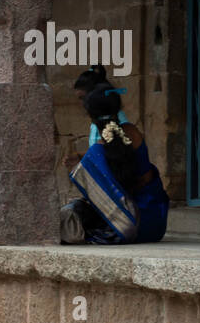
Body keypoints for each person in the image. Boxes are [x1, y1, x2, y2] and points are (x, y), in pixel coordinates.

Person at [62, 84, 169, 245]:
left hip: (124, 229)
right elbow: (122, 154)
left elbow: (110, 152)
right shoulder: (133, 132)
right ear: (118, 108)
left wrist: (82, 160)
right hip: (154, 224)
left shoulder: (96, 153)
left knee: (69, 213)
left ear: (91, 116)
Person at [63, 66, 130, 166]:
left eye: (83, 98)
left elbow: (119, 144)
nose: (82, 104)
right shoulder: (96, 122)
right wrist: (81, 157)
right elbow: (103, 150)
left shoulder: (117, 117)